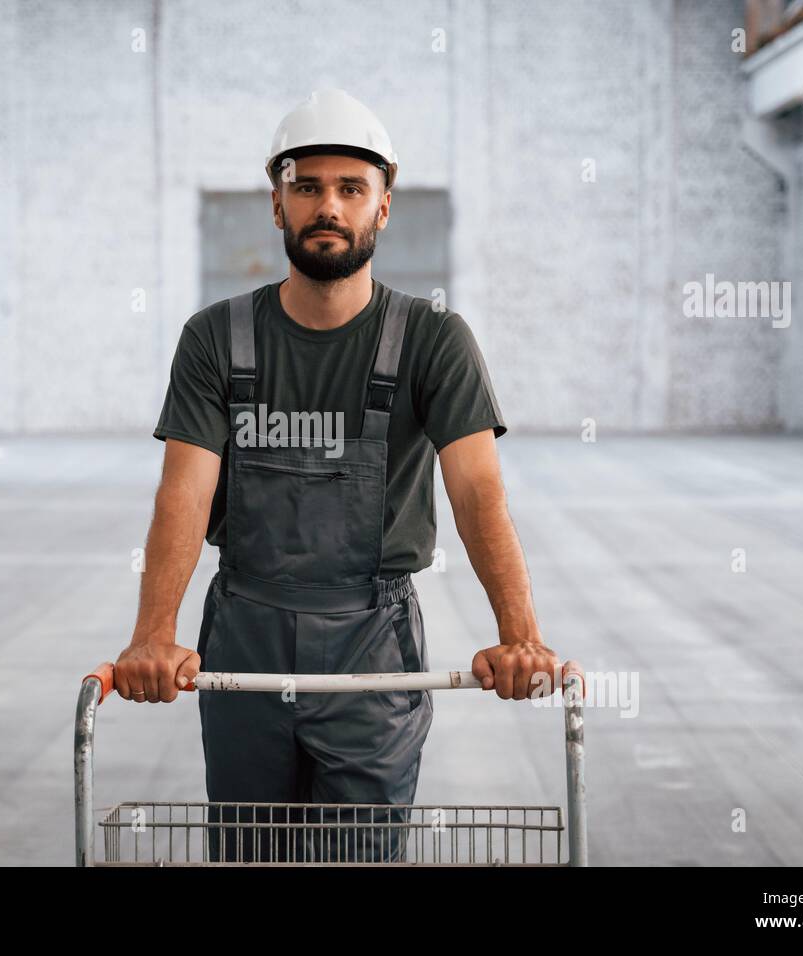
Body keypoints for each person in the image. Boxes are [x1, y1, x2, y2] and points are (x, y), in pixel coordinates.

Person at [113, 89, 580, 863]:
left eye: (350, 189)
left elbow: (476, 491)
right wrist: (152, 637)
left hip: (371, 646)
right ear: (277, 205)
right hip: (244, 637)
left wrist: (521, 638)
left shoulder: (433, 340)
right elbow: (184, 493)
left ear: (382, 209)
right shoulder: (216, 339)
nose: (328, 206)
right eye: (307, 187)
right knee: (248, 851)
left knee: (359, 854)